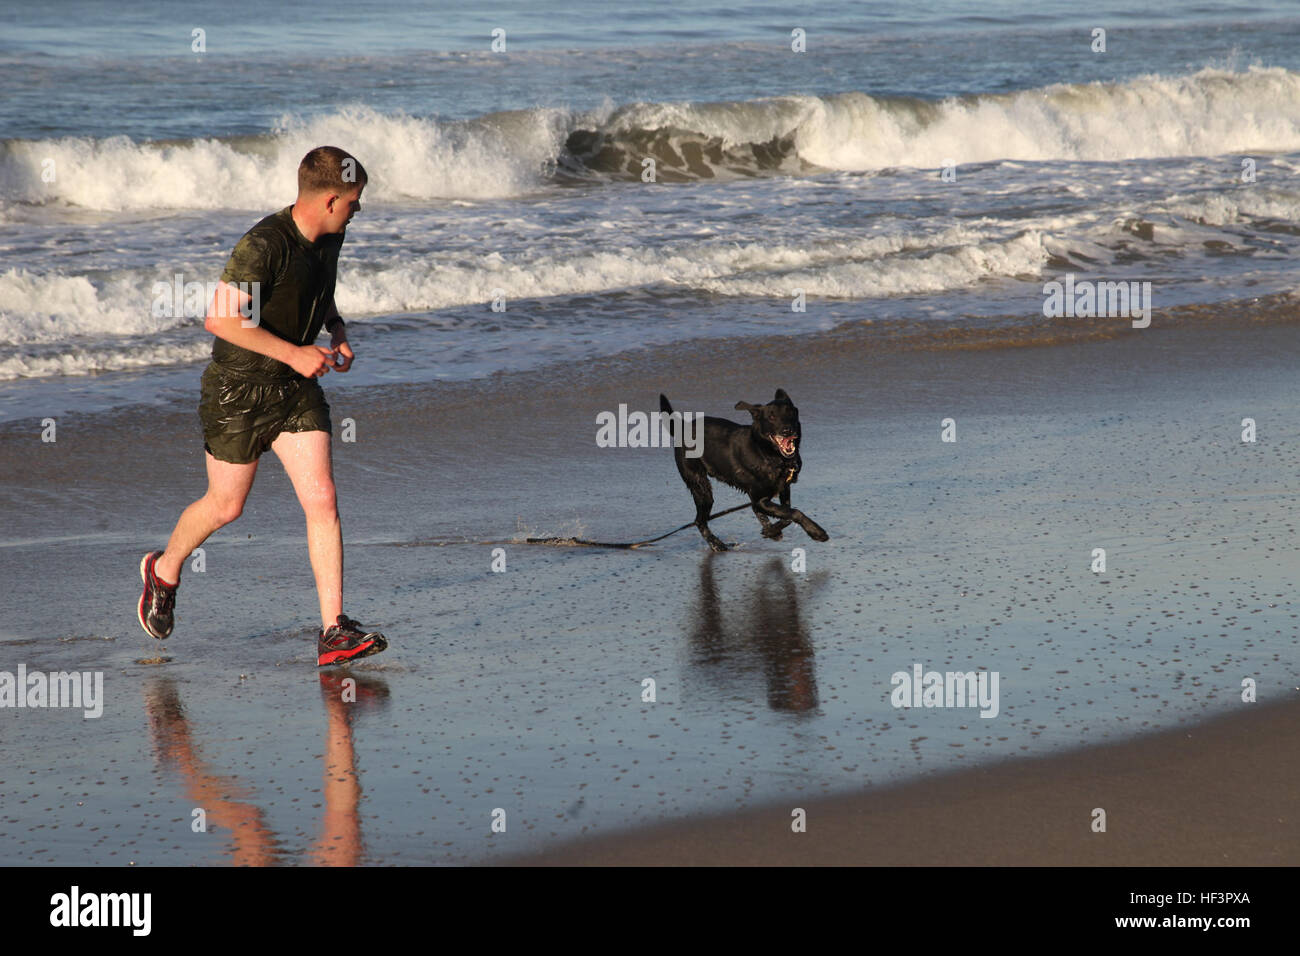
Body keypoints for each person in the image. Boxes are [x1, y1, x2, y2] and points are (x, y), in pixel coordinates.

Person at [138, 145, 388, 667]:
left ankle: (333, 630)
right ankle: (164, 569)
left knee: (322, 497)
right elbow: (222, 320)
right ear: (330, 198)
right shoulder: (264, 244)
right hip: (239, 388)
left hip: (295, 389)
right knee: (227, 505)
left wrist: (335, 330)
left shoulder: (332, 235)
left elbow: (319, 291)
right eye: (355, 202)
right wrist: (296, 352)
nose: (358, 211)